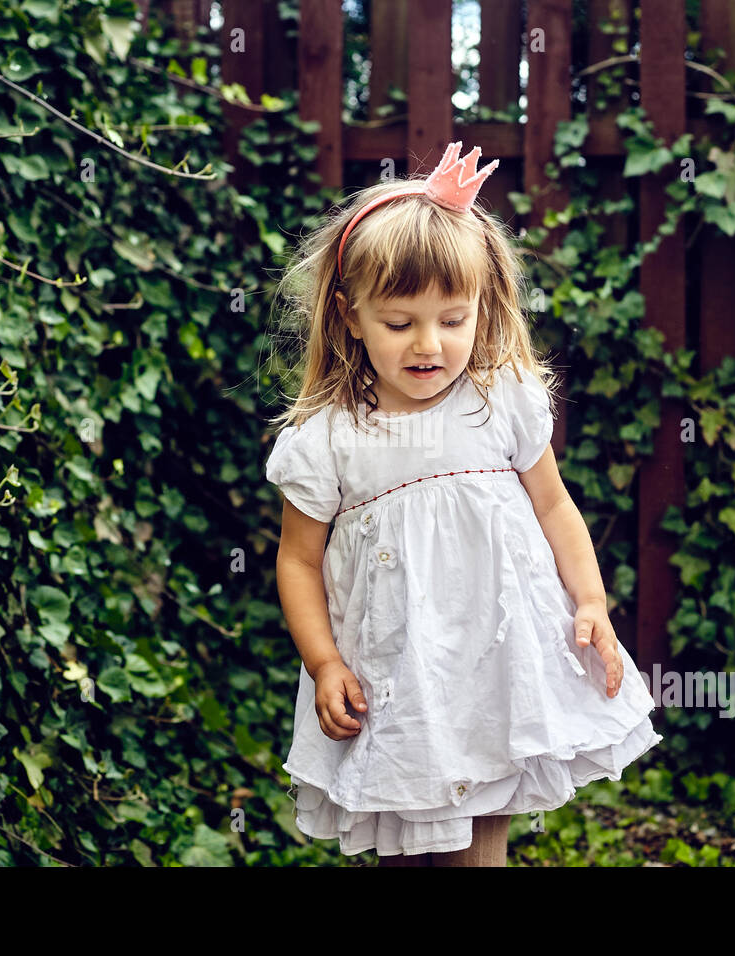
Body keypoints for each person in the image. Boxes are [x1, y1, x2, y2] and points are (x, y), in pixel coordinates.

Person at [263, 141, 663, 867]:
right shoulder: (329, 439)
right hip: (395, 680)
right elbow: (297, 560)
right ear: (351, 317)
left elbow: (553, 507)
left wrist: (591, 602)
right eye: (400, 322)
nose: (429, 344)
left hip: (494, 667)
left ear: (482, 306)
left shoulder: (500, 400)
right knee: (403, 841)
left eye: (453, 319)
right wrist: (323, 663)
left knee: (481, 843)